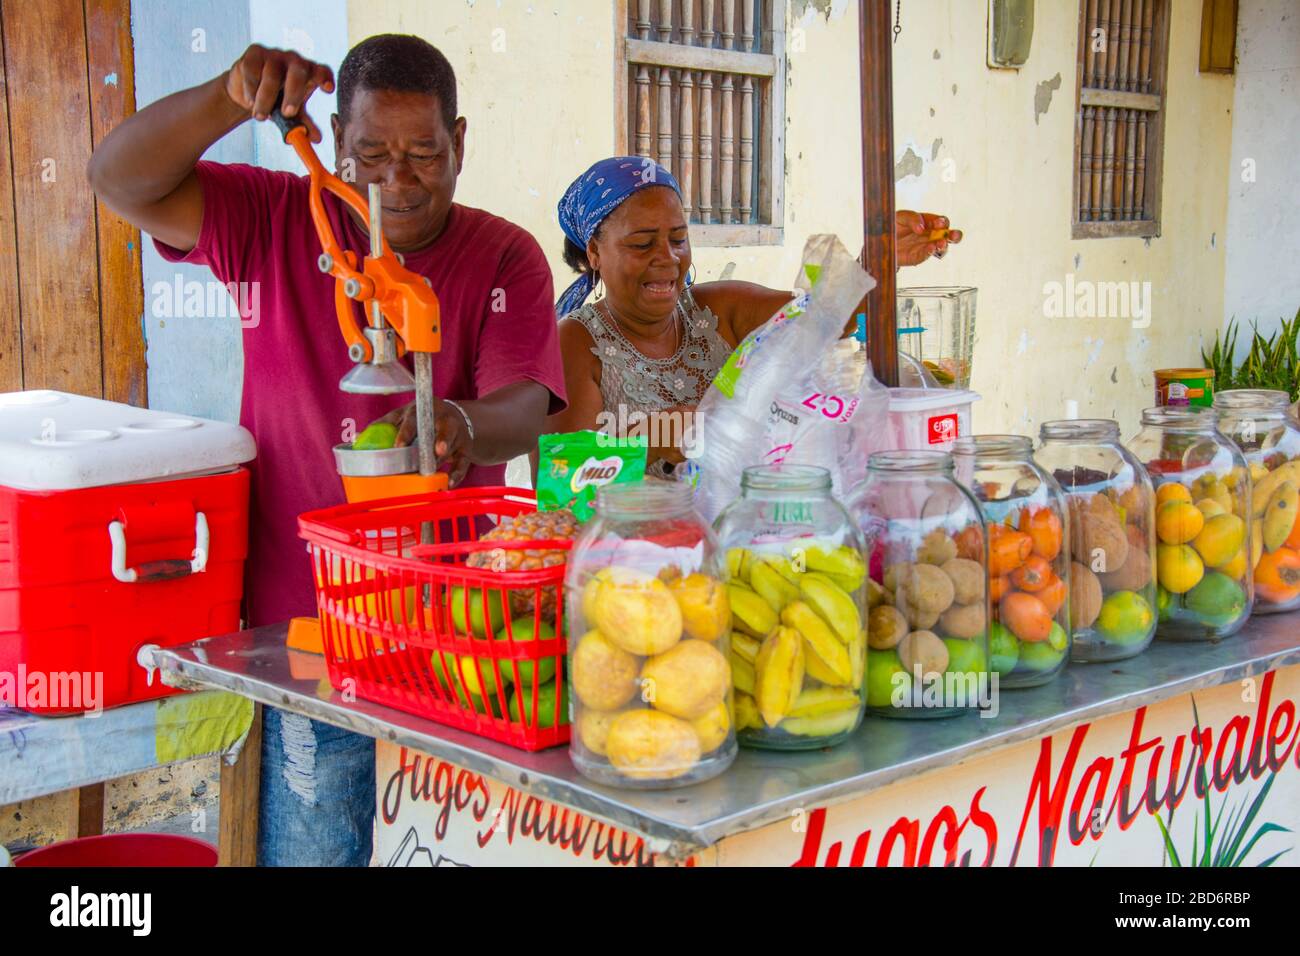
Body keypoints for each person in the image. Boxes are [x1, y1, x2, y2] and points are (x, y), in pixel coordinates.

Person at [88, 35, 566, 865]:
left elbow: (525, 404)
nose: (396, 181)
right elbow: (118, 179)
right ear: (335, 139)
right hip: (306, 642)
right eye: (370, 153)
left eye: (424, 154)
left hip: (456, 647)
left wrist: (457, 421)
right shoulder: (269, 219)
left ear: (461, 141)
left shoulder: (503, 256)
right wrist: (226, 96)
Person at [544, 157, 961, 475]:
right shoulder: (575, 343)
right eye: (641, 244)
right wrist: (649, 438)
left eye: (678, 239)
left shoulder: (720, 311)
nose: (667, 259)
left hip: (741, 545)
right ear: (594, 252)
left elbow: (825, 320)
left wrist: (881, 255)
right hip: (634, 564)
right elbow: (559, 481)